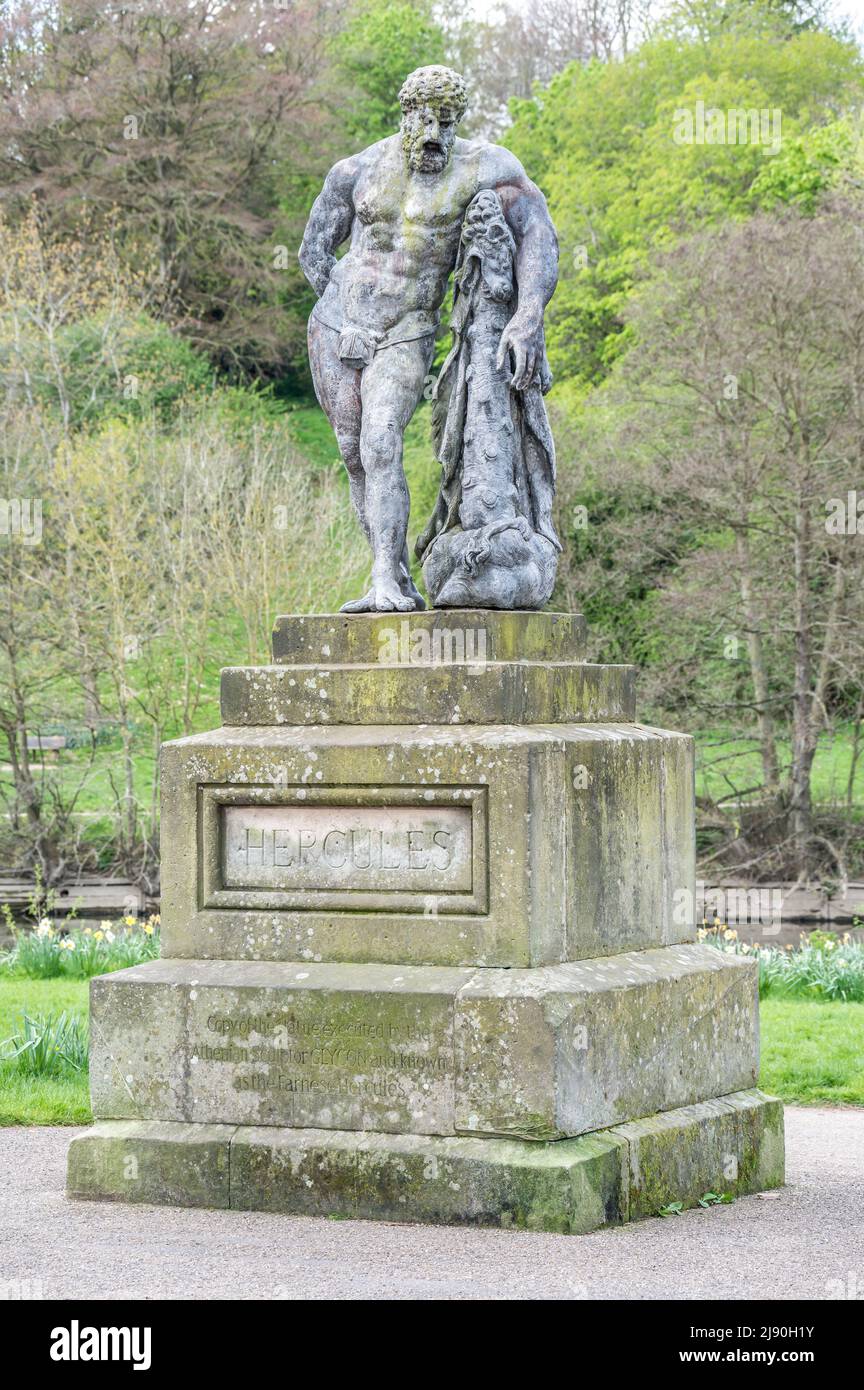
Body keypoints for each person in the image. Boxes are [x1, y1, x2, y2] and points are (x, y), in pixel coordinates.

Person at [299, 64, 558, 612]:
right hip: (337, 323)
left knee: (381, 440)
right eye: (424, 121)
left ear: (458, 120)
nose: (435, 134)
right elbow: (314, 249)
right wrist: (345, 318)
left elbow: (537, 230)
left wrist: (528, 313)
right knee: (354, 456)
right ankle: (389, 575)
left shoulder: (483, 168)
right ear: (405, 115)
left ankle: (384, 582)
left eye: (446, 121)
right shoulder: (358, 169)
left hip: (407, 329)